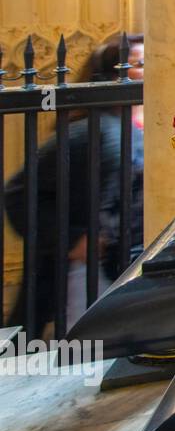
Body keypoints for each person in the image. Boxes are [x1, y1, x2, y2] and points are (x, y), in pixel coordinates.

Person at [3, 34, 144, 335]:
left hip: (131, 265)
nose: (149, 70)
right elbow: (18, 193)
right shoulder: (91, 131)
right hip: (91, 271)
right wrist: (72, 238)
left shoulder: (145, 127)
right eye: (140, 63)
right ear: (113, 74)